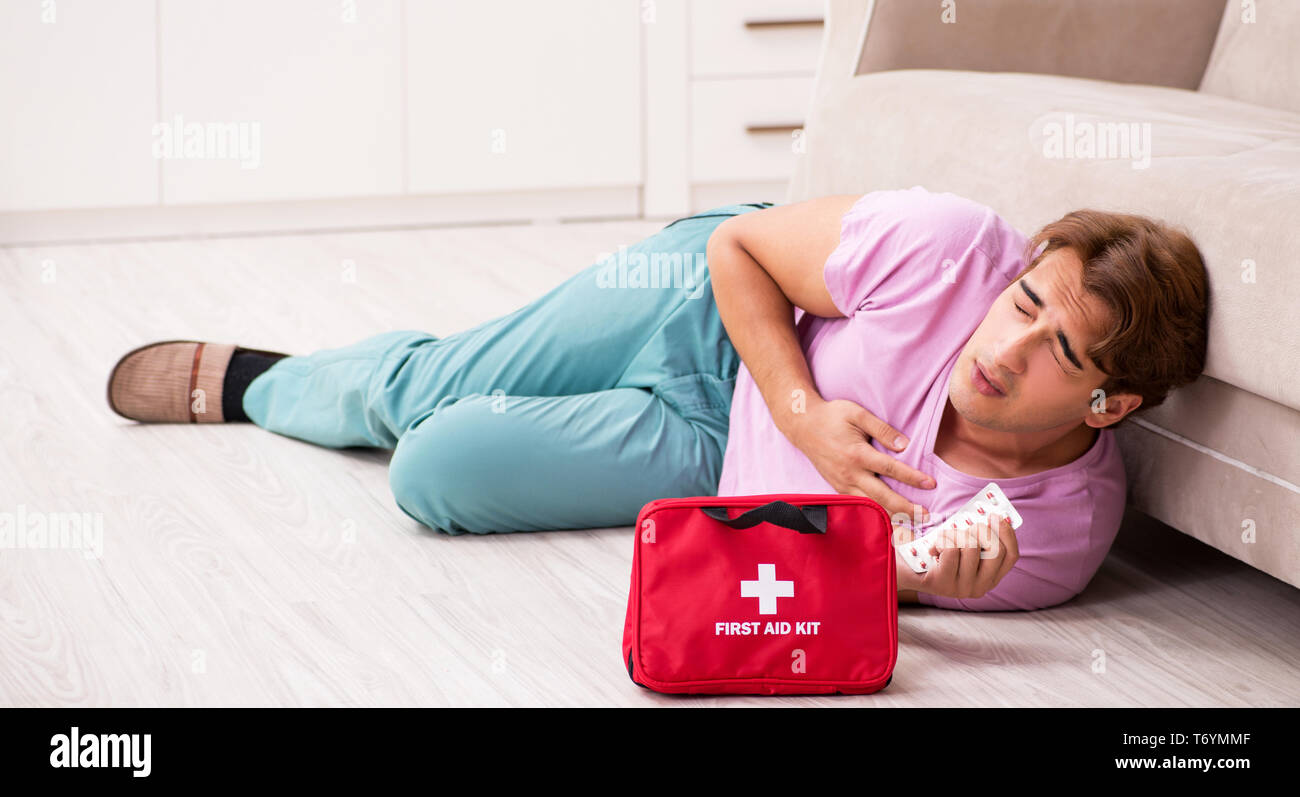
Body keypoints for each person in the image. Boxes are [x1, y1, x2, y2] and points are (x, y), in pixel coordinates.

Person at [106, 187, 1210, 611]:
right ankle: (267, 382)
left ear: (1110, 405)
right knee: (426, 389)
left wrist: (912, 580)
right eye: (1022, 300)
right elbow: (740, 249)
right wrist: (799, 413)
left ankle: (435, 376)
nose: (1005, 346)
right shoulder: (945, 246)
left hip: (701, 458)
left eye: (1059, 348)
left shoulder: (1051, 539)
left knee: (433, 471)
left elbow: (836, 581)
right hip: (704, 312)